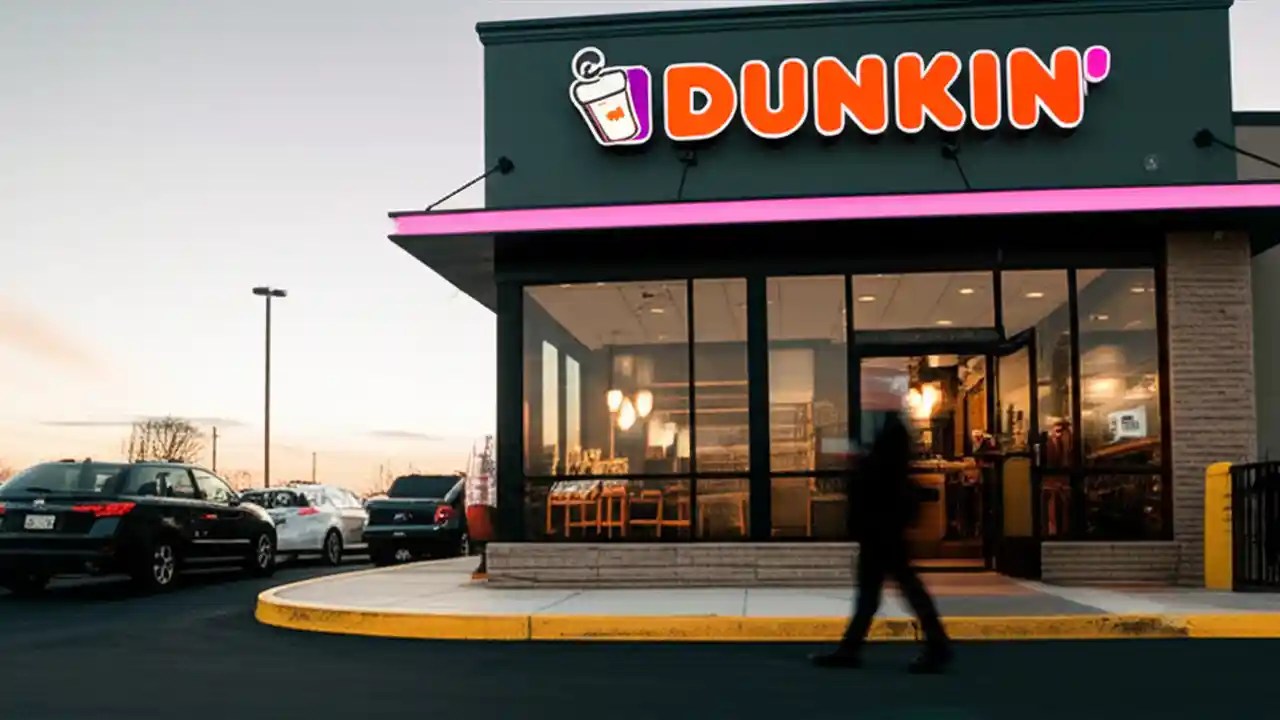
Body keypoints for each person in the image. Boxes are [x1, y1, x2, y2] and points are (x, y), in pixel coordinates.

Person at [810, 410, 953, 673]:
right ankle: (852, 649)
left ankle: (936, 644)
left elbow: (882, 476)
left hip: (881, 525)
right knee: (880, 590)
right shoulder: (888, 430)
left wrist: (859, 465)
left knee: (895, 587)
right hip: (882, 525)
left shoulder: (889, 434)